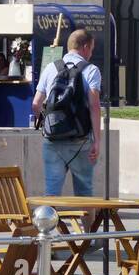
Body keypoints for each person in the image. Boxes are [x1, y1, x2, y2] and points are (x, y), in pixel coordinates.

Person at [32, 28, 101, 195]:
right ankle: (88, 223)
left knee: (51, 193)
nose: (91, 53)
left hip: (52, 140)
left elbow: (36, 103)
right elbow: (94, 106)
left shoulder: (50, 68)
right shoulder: (91, 70)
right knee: (85, 193)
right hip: (80, 140)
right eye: (91, 49)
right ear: (85, 47)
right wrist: (97, 141)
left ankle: (48, 221)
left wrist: (47, 123)